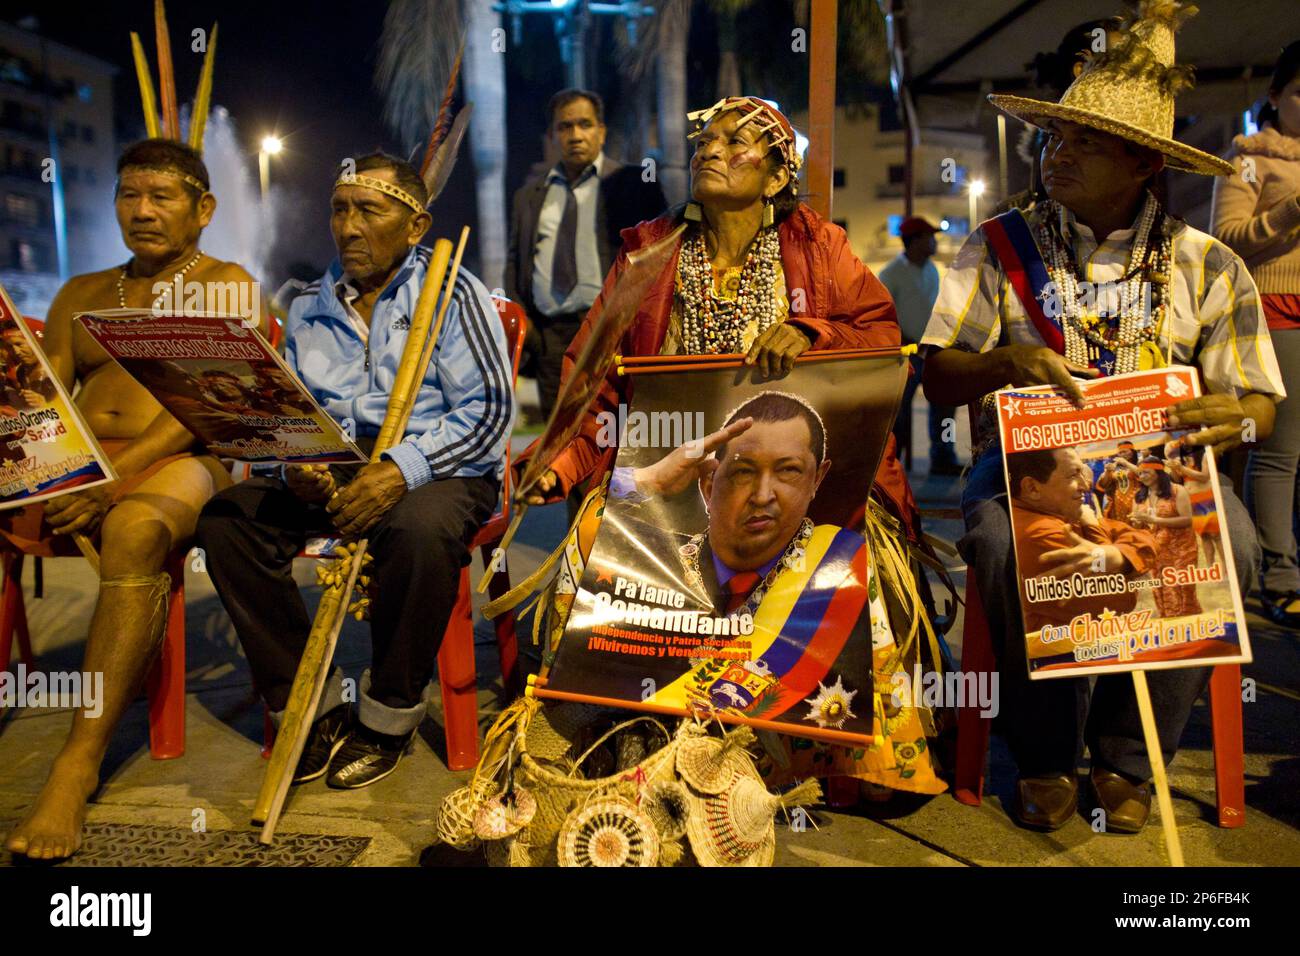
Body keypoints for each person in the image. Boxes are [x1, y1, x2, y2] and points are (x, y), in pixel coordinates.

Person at [920, 3, 1285, 833]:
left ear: (1143, 163)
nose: (1059, 153)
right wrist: (1008, 361)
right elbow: (937, 376)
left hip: (1158, 474)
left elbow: (1257, 398)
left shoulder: (1211, 266)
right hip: (1024, 474)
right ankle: (1047, 754)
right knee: (1004, 543)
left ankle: (1125, 753)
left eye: (1085, 141)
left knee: (1229, 536)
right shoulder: (998, 245)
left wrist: (1238, 418)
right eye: (1055, 137)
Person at [515, 95, 942, 796]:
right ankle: (617, 728)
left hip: (794, 490)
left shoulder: (820, 250)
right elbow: (594, 379)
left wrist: (815, 334)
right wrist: (562, 463)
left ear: (778, 176)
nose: (710, 150)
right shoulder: (648, 255)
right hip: (676, 481)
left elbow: (880, 341)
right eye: (706, 140)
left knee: (849, 552)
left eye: (736, 142)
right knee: (594, 529)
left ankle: (819, 753)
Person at [195, 153, 514, 790]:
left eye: (370, 210)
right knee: (228, 520)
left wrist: (399, 470)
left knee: (418, 532)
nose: (348, 227)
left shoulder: (453, 290)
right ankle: (306, 707)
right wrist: (294, 470)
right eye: (340, 210)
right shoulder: (309, 307)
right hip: (335, 464)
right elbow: (280, 423)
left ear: (415, 225)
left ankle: (387, 715)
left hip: (440, 465)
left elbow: (490, 413)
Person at [2, 138, 265, 861]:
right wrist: (54, 476)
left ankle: (76, 759)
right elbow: (42, 401)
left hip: (187, 455)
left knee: (135, 531)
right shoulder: (81, 292)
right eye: (129, 195)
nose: (142, 211)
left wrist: (117, 484)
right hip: (89, 463)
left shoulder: (228, 283)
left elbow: (204, 405)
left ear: (204, 209)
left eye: (162, 196)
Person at [506, 88, 667, 421]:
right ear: (553, 136)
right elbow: (516, 263)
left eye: (585, 124)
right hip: (553, 340)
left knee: (619, 439)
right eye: (565, 127)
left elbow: (663, 255)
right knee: (557, 440)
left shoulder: (635, 185)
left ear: (601, 131)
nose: (575, 135)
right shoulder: (529, 196)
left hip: (616, 333)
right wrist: (533, 332)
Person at [1212, 39, 1300, 628]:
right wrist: (1291, 210)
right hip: (1274, 309)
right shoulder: (1247, 159)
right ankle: (1278, 574)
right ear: (1275, 97)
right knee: (1279, 452)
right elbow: (1228, 238)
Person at [1007, 446, 1156, 635]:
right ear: (1032, 488)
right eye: (1072, 475)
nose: (1085, 485)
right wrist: (1098, 533)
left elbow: (1146, 537)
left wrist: (1115, 556)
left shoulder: (1057, 511)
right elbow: (1121, 599)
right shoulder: (1041, 533)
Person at [879, 216, 959, 475]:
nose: (934, 242)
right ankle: (893, 465)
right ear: (914, 241)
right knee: (898, 413)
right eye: (929, 237)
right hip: (905, 351)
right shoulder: (891, 274)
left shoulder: (931, 269)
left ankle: (943, 457)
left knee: (945, 403)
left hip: (932, 348)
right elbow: (883, 315)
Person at [1130, 457, 1203, 618]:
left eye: (1146, 473)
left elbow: (1187, 519)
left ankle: (1190, 624)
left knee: (1183, 587)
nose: (1141, 476)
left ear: (1158, 472)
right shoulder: (1139, 496)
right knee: (1161, 588)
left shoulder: (1177, 490)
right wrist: (1137, 521)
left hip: (1182, 548)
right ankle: (1171, 624)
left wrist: (1156, 520)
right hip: (1156, 550)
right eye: (1140, 473)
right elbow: (1137, 525)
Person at [1094, 440, 1141, 522]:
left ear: (1132, 452)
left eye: (1124, 452)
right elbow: (1103, 484)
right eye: (1120, 452)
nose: (1122, 454)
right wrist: (1107, 472)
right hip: (1117, 503)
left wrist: (1126, 463)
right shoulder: (1114, 467)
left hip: (1136, 501)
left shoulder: (1139, 463)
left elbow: (1142, 473)